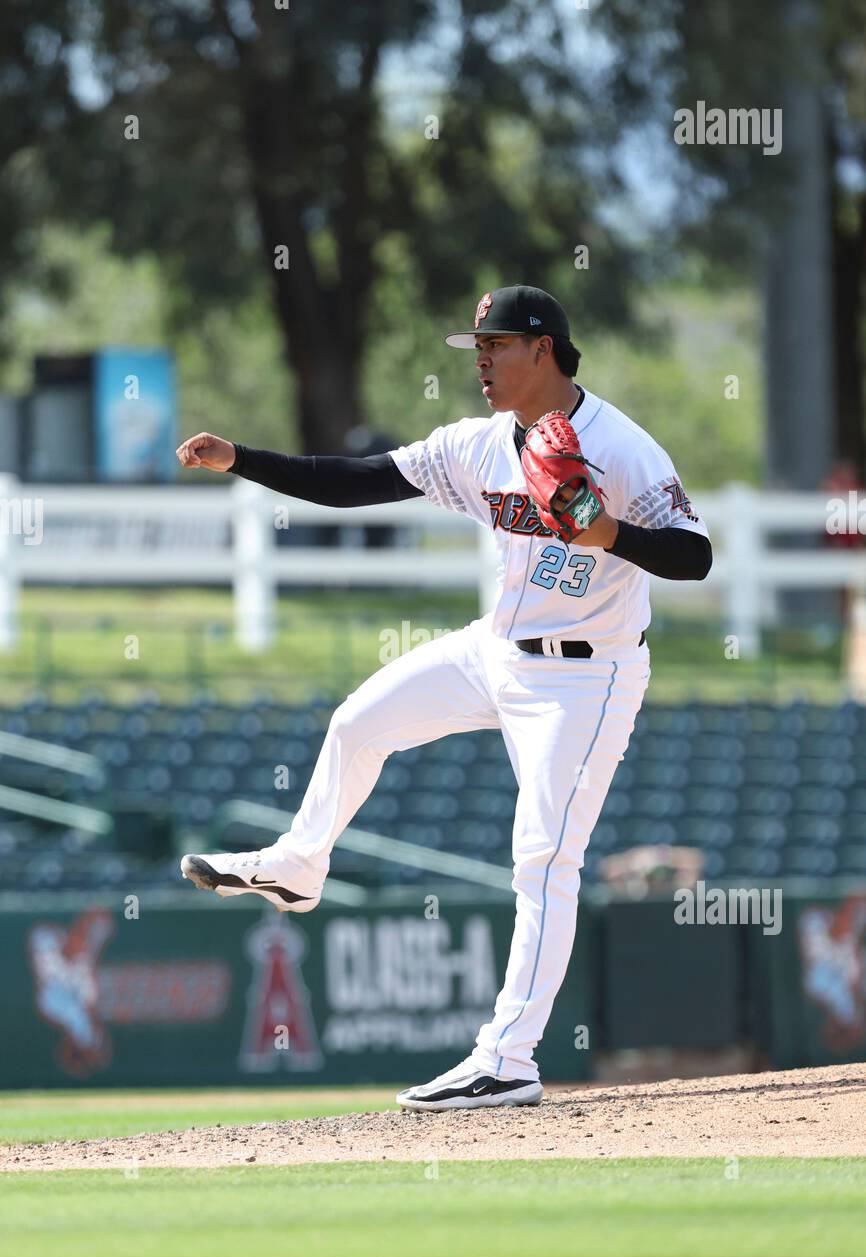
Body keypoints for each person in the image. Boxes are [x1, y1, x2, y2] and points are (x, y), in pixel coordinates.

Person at [176, 285, 712, 1111]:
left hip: (586, 675)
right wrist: (241, 459)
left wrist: (612, 535)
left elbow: (694, 557)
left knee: (542, 858)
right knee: (360, 721)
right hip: (496, 647)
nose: (482, 363)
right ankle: (298, 864)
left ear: (544, 349)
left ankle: (509, 1057)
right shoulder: (477, 445)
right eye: (477, 348)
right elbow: (358, 480)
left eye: (495, 346)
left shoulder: (624, 446)